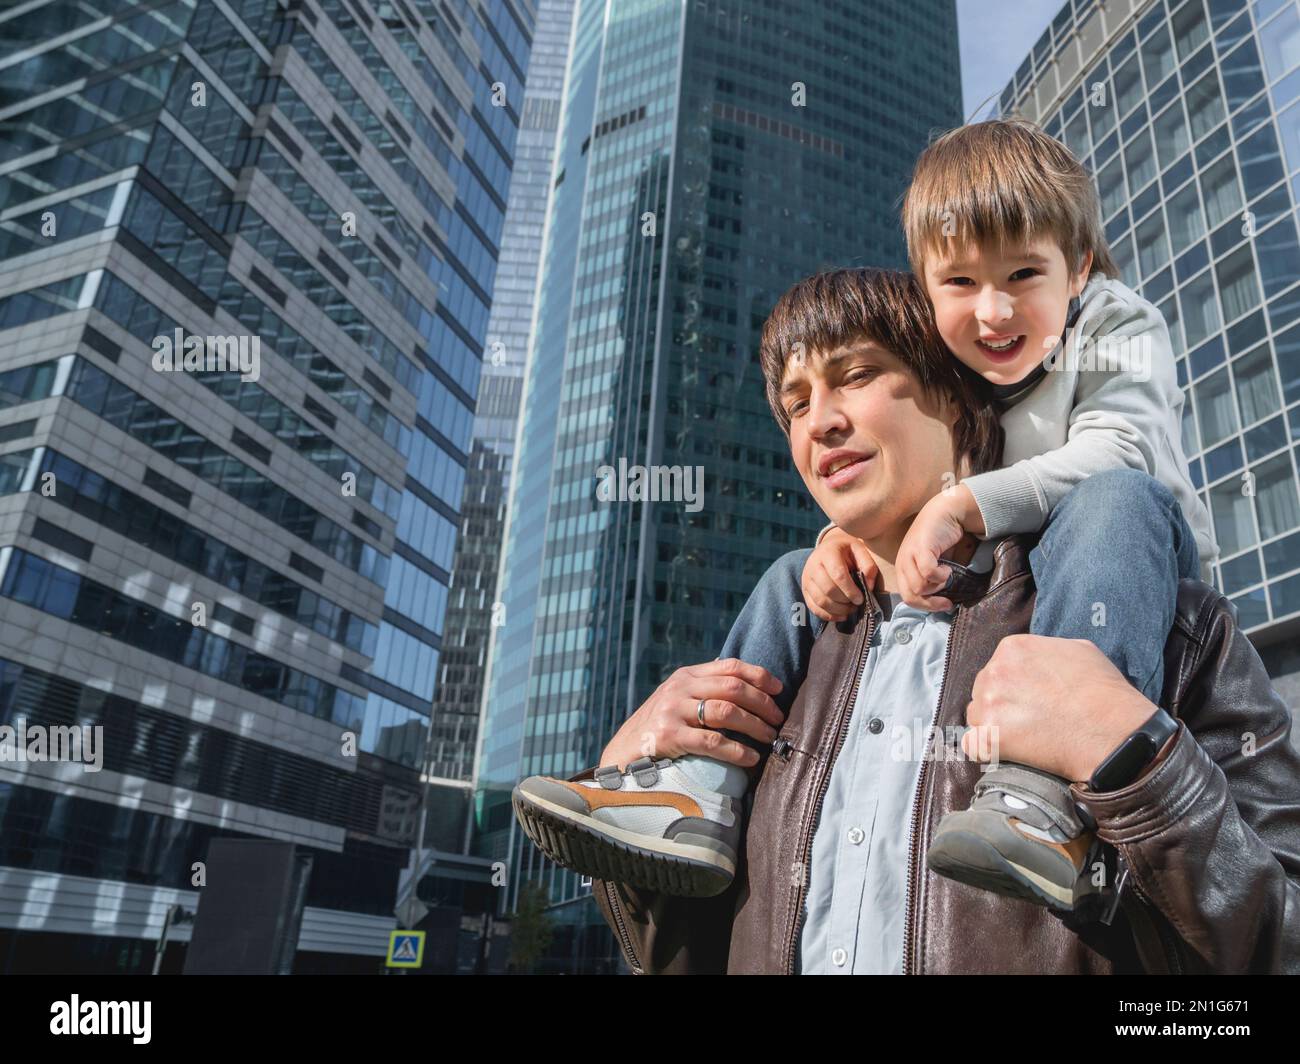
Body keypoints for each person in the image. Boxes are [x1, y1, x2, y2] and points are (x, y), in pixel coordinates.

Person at [573, 267, 1299, 973]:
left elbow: (1280, 940)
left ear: (954, 398)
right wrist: (631, 773)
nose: (819, 422)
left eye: (855, 377)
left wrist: (1135, 765)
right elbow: (685, 950)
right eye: (795, 405)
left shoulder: (1164, 625)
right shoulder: (786, 649)